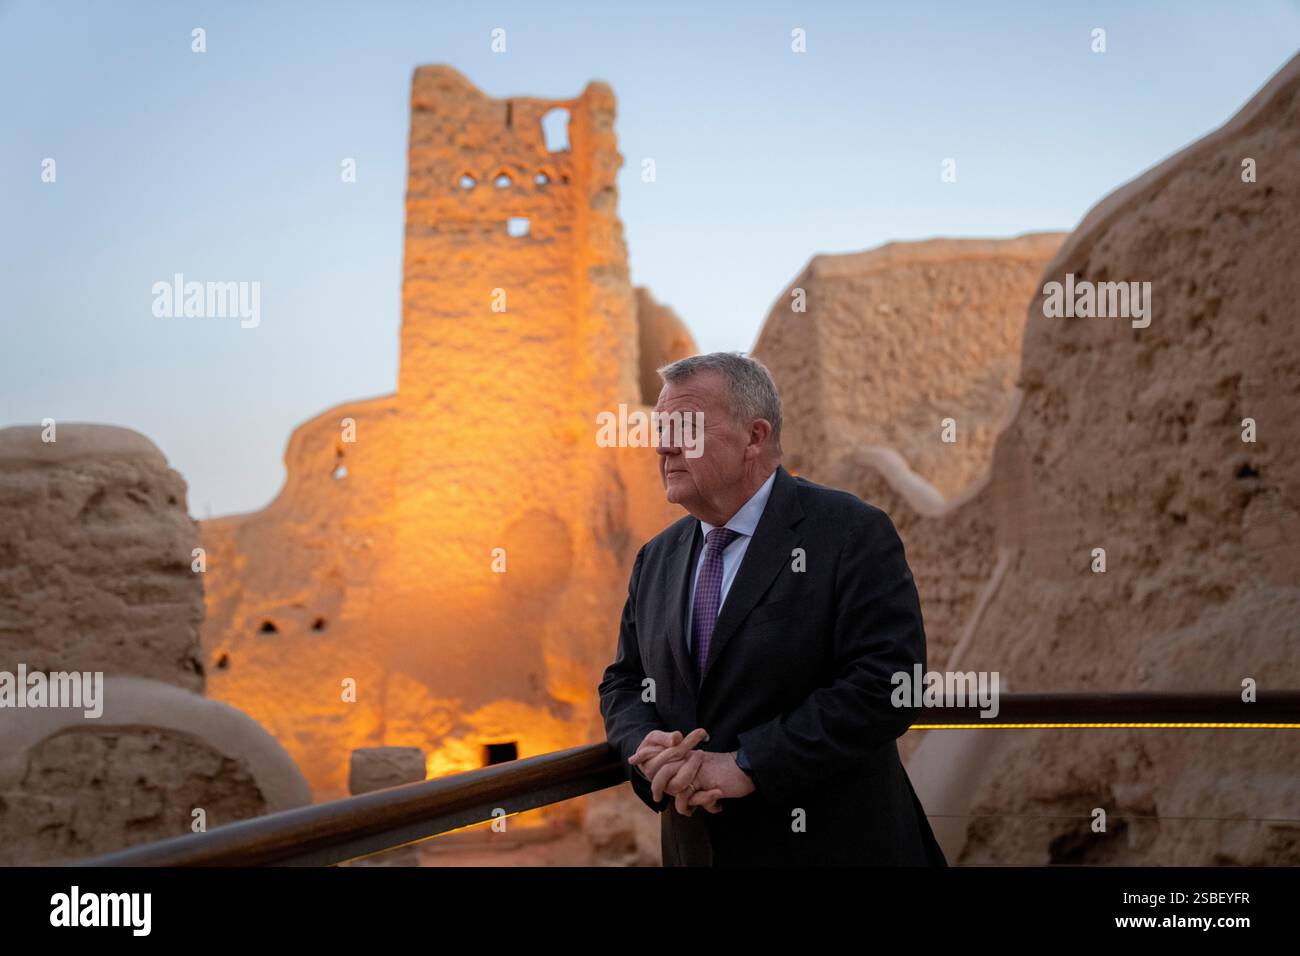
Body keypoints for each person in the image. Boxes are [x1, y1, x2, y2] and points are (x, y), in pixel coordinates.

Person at [598, 351, 947, 866]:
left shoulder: (849, 532)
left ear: (754, 437)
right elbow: (623, 682)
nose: (664, 445)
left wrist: (749, 763)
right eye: (660, 428)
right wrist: (645, 746)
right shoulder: (656, 558)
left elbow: (888, 682)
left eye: (685, 427)